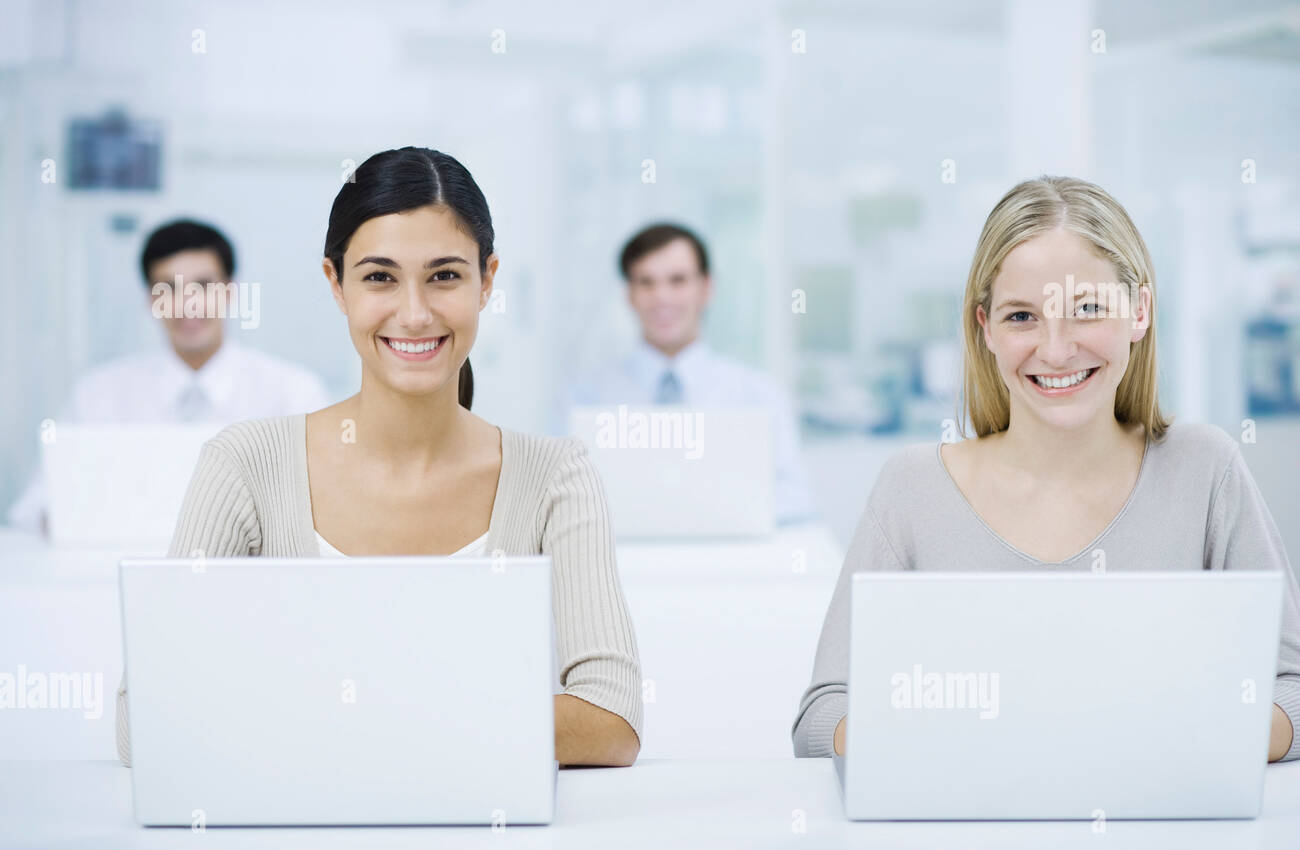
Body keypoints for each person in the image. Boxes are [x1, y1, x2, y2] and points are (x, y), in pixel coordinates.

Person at [115, 148, 642, 768]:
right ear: (336, 284)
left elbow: (611, 720)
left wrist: (339, 708)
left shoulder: (555, 476)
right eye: (379, 277)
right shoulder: (246, 465)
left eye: (445, 275)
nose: (414, 313)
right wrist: (465, 712)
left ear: (487, 281)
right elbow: (144, 716)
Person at [793, 175, 1300, 763]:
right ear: (983, 329)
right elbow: (822, 715)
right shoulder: (913, 489)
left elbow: (1293, 691)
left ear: (1140, 311)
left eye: (1086, 309)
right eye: (1021, 317)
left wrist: (1150, 737)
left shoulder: (1206, 471)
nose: (1056, 351)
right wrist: (971, 740)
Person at [5, 219, 331, 534]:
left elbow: (329, 505)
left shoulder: (294, 393)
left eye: (204, 286)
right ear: (151, 301)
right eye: (169, 289)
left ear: (230, 292)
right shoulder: (97, 395)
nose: (188, 305)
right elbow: (36, 508)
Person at [569, 222, 815, 524]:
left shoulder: (759, 395)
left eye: (678, 280)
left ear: (706, 288)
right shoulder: (583, 398)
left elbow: (797, 497)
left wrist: (702, 509)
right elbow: (559, 496)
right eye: (646, 282)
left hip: (730, 566)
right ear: (629, 294)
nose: (662, 297)